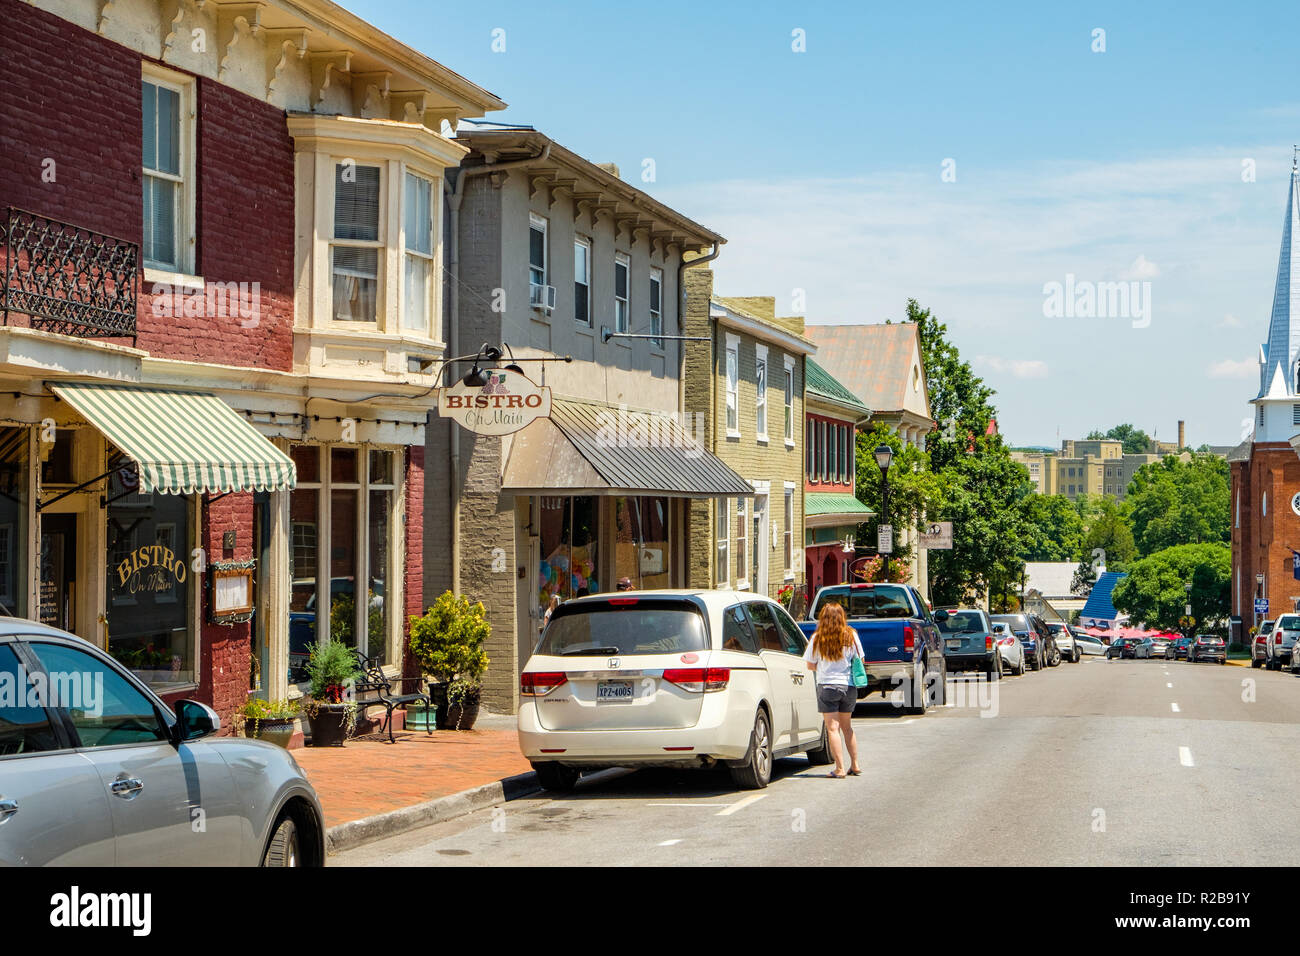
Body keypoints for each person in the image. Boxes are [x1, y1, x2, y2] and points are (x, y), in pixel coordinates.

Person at [803, 601, 864, 778]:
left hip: (827, 686)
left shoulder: (817, 638)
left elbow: (809, 665)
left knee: (832, 728)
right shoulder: (851, 635)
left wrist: (824, 668)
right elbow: (860, 659)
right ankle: (855, 764)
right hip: (849, 686)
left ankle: (839, 768)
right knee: (847, 728)